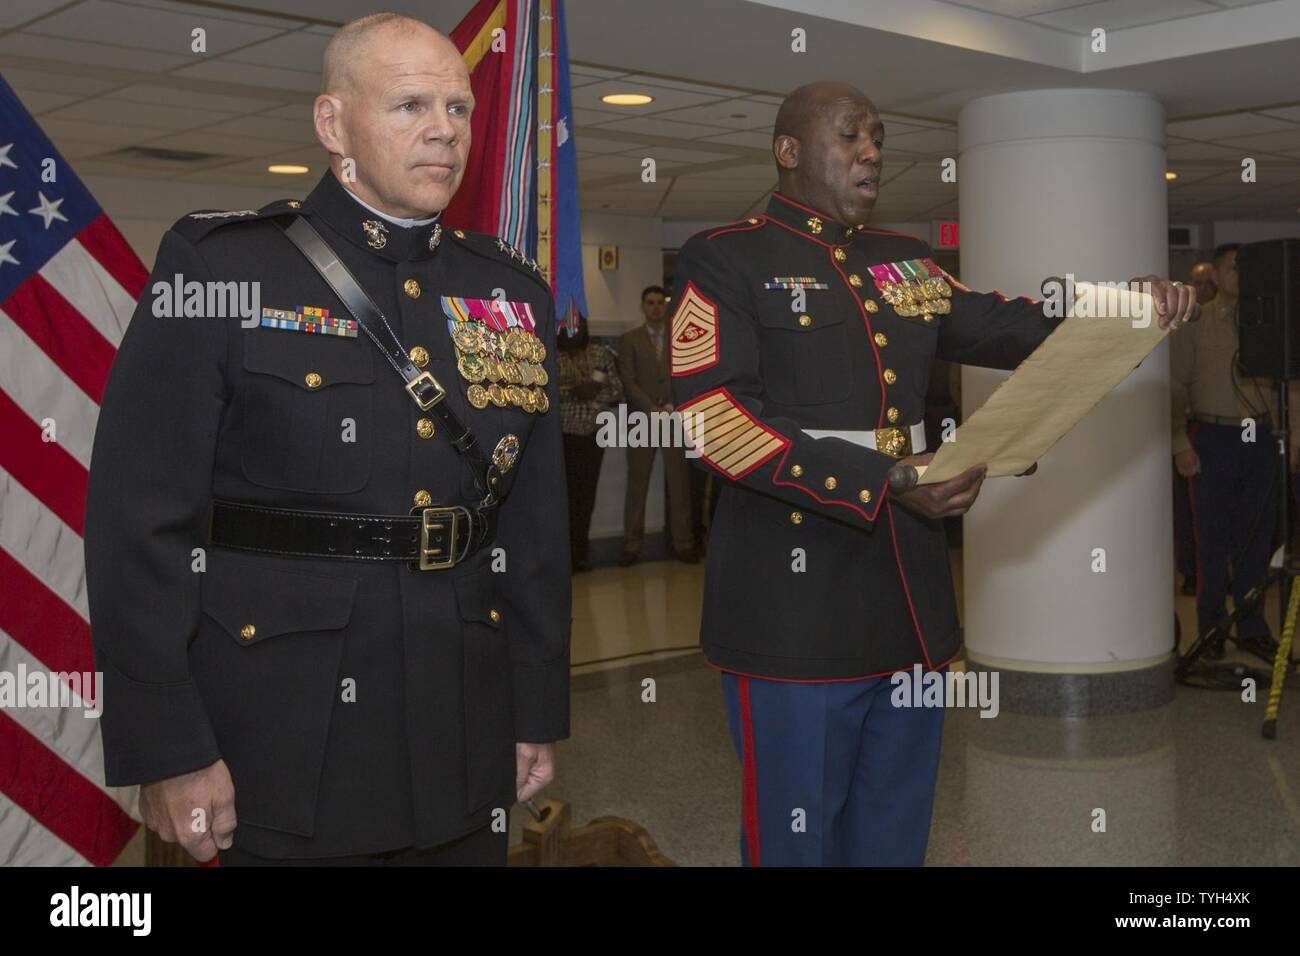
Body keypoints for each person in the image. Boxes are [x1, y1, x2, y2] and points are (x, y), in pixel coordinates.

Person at [669, 81, 1198, 867]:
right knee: (797, 840)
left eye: (878, 134)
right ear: (788, 152)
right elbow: (714, 420)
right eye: (850, 134)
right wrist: (884, 479)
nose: (872, 150)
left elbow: (1013, 323)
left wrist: (1127, 307)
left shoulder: (904, 261)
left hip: (908, 600)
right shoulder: (726, 257)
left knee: (892, 831)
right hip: (792, 608)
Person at [84, 12, 570, 866]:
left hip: (462, 723)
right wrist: (168, 745)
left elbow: (530, 526)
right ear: (332, 122)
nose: (443, 132)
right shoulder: (221, 269)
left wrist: (535, 708)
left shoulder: (506, 291)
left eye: (458, 109)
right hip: (281, 740)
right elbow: (137, 523)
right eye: (409, 105)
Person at [1171, 243, 1283, 659]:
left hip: (1261, 439)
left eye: (1246, 268)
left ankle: (1252, 626)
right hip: (1213, 438)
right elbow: (1174, 388)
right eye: (1233, 268)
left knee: (1256, 539)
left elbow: (1291, 383)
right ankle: (1212, 629)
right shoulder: (1195, 324)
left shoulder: (1268, 322)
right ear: (1216, 276)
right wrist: (1179, 443)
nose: (1242, 274)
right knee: (1211, 540)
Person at [617, 285, 698, 565]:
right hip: (642, 418)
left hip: (674, 417)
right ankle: (631, 545)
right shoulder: (629, 339)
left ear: (666, 306)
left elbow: (687, 376)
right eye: (650, 303)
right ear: (642, 306)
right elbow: (627, 380)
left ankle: (683, 543)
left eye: (660, 303)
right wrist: (652, 408)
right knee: (637, 483)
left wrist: (672, 405)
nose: (655, 307)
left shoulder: (682, 339)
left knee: (679, 483)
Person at [557, 313, 622, 571]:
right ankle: (562, 556)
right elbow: (544, 392)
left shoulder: (600, 355)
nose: (574, 330)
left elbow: (617, 389)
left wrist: (594, 390)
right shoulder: (552, 354)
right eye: (569, 326)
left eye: (579, 325)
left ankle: (580, 553)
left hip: (593, 436)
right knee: (563, 498)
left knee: (586, 497)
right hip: (562, 437)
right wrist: (571, 391)